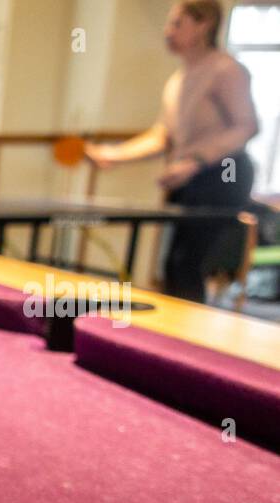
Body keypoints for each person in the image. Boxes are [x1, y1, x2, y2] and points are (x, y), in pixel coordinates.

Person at [85, 0, 258, 302]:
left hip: (223, 175)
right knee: (173, 266)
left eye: (177, 23)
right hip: (190, 178)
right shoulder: (178, 79)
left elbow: (245, 127)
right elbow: (162, 135)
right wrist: (112, 154)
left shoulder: (226, 70)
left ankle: (186, 340)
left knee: (186, 263)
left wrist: (195, 161)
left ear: (203, 24)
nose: (167, 31)